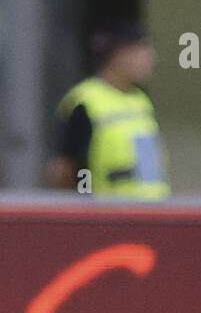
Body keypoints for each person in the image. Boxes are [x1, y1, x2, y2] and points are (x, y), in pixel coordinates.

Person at [46, 20, 169, 198]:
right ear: (119, 54)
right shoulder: (86, 101)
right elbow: (69, 168)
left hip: (150, 212)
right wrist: (84, 201)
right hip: (110, 216)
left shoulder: (140, 101)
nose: (150, 59)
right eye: (141, 51)